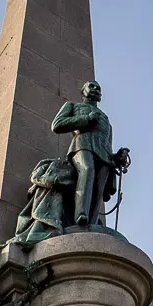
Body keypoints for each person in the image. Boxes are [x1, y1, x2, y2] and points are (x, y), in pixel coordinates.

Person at [51, 80, 115, 226]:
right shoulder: (72, 106)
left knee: (99, 188)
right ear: (83, 91)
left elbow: (108, 143)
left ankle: (91, 223)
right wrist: (85, 119)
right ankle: (81, 214)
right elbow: (57, 124)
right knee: (87, 170)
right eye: (91, 86)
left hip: (104, 154)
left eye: (98, 88)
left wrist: (118, 157)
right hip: (82, 144)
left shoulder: (105, 118)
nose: (96, 89)